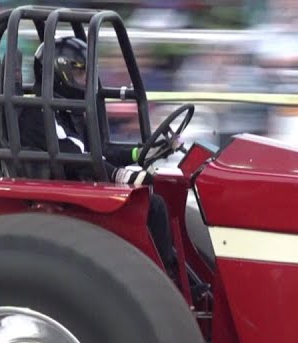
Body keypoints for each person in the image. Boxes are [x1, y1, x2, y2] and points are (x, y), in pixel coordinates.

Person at [17, 36, 183, 277]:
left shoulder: (68, 111)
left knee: (167, 193)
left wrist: (141, 152)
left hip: (78, 186)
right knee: (153, 205)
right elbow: (75, 157)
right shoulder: (39, 114)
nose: (86, 81)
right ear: (59, 74)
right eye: (79, 73)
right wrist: (119, 175)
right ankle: (167, 278)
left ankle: (175, 272)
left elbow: (98, 151)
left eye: (87, 73)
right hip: (63, 196)